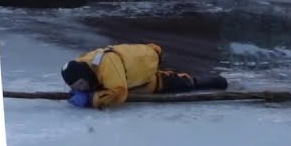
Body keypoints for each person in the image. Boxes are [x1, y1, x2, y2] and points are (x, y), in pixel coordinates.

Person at [60, 43, 227, 109]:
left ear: (86, 74)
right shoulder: (82, 64)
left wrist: (92, 100)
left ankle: (209, 81)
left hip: (144, 64)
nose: (81, 89)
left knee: (179, 83)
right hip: (130, 73)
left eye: (81, 84)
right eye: (76, 87)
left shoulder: (107, 64)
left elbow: (119, 92)